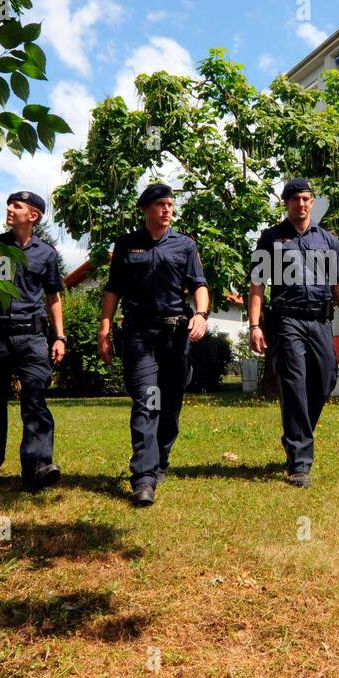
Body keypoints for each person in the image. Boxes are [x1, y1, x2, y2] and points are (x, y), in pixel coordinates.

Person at [98, 183, 210, 507]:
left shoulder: (185, 245)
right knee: (148, 400)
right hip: (139, 334)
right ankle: (143, 479)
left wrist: (201, 314)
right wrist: (104, 330)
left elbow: (198, 285)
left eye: (170, 204)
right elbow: (112, 290)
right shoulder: (126, 245)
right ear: (145, 209)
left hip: (176, 336)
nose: (166, 209)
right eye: (160, 204)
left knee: (170, 403)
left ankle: (160, 460)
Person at [248, 178, 339, 487]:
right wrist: (255, 325)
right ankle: (299, 461)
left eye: (306, 199)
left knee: (325, 379)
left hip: (320, 321)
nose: (301, 203)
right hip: (286, 321)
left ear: (312, 203)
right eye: (295, 198)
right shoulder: (271, 238)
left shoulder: (328, 240)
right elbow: (258, 284)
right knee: (294, 384)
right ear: (285, 203)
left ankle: (296, 433)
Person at [0, 191, 66, 491]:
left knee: (35, 399)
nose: (9, 209)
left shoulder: (46, 253)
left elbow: (53, 296)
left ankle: (37, 468)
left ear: (33, 216)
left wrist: (59, 336)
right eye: (9, 204)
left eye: (17, 206)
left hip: (32, 337)